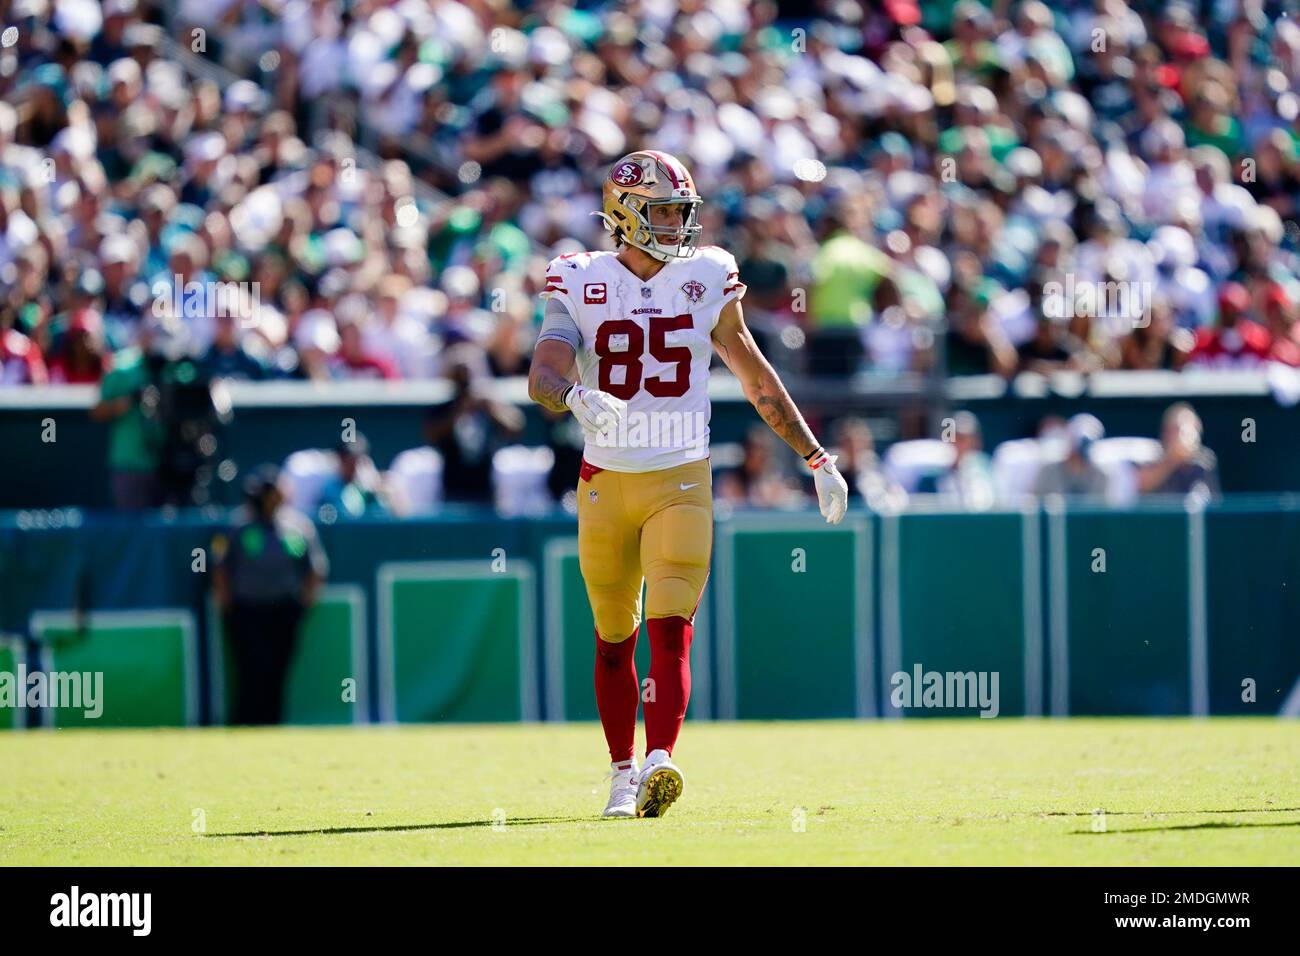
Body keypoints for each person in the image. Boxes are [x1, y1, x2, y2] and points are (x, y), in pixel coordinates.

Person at [527, 151, 848, 819]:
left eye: (681, 211)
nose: (678, 224)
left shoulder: (707, 275)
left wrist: (816, 456)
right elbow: (543, 372)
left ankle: (659, 759)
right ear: (625, 214)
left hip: (681, 476)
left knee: (671, 628)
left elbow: (756, 377)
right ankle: (620, 774)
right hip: (605, 479)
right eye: (665, 211)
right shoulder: (581, 278)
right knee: (615, 634)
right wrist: (574, 395)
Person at [212, 465, 328, 725]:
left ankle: (272, 724)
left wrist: (305, 602)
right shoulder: (238, 527)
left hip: (284, 610)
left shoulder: (297, 527)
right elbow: (220, 566)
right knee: (251, 668)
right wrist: (226, 603)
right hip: (247, 611)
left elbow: (315, 567)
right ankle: (244, 723)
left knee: (277, 670)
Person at [1139, 402, 1220, 497]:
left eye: (1189, 430)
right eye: (1176, 430)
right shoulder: (1152, 455)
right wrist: (1171, 461)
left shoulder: (1203, 461)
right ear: (1165, 432)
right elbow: (1140, 487)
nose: (1182, 436)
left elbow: (1211, 500)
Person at [1031, 413, 1110, 498]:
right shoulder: (1047, 471)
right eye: (1076, 441)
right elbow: (1033, 503)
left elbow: (1099, 508)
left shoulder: (1101, 476)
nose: (1078, 452)